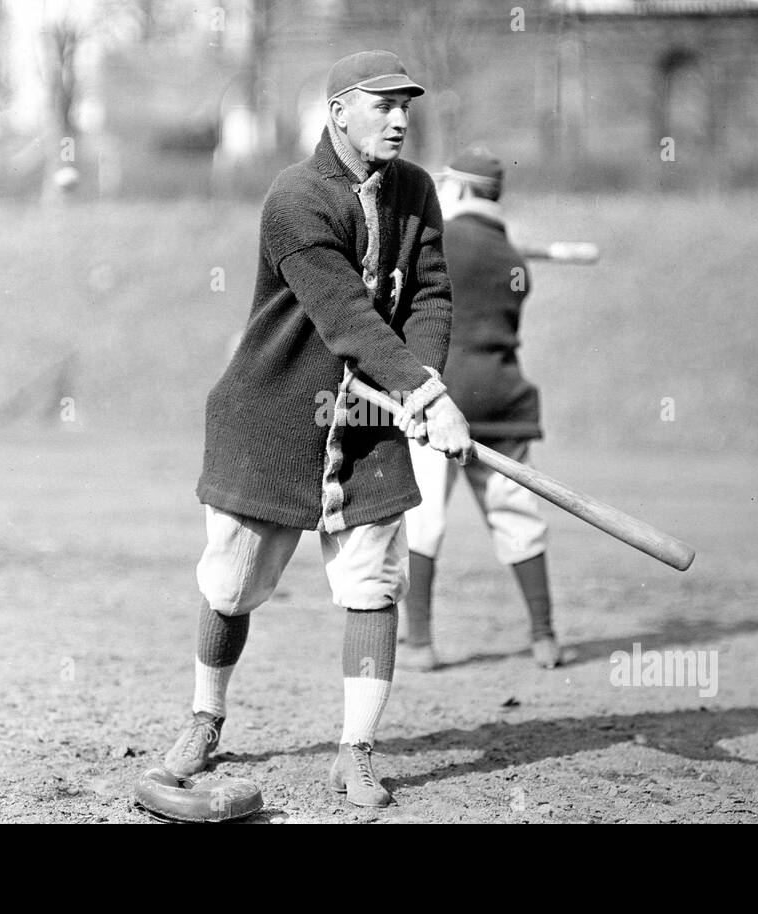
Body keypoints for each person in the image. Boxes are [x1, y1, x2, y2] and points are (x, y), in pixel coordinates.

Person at [160, 50, 473, 809]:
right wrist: (424, 395)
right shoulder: (294, 198)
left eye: (407, 106)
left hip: (366, 424)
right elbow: (346, 317)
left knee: (373, 584)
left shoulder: (417, 192)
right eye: (382, 105)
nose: (400, 119)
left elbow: (429, 296)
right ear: (337, 112)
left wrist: (419, 387)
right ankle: (206, 717)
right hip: (270, 414)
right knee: (231, 585)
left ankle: (356, 751)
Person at [398, 148, 562, 672]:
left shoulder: (438, 238)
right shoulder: (511, 257)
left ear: (461, 189)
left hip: (440, 397)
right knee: (517, 514)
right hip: (502, 397)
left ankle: (419, 642)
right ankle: (544, 636)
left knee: (424, 518)